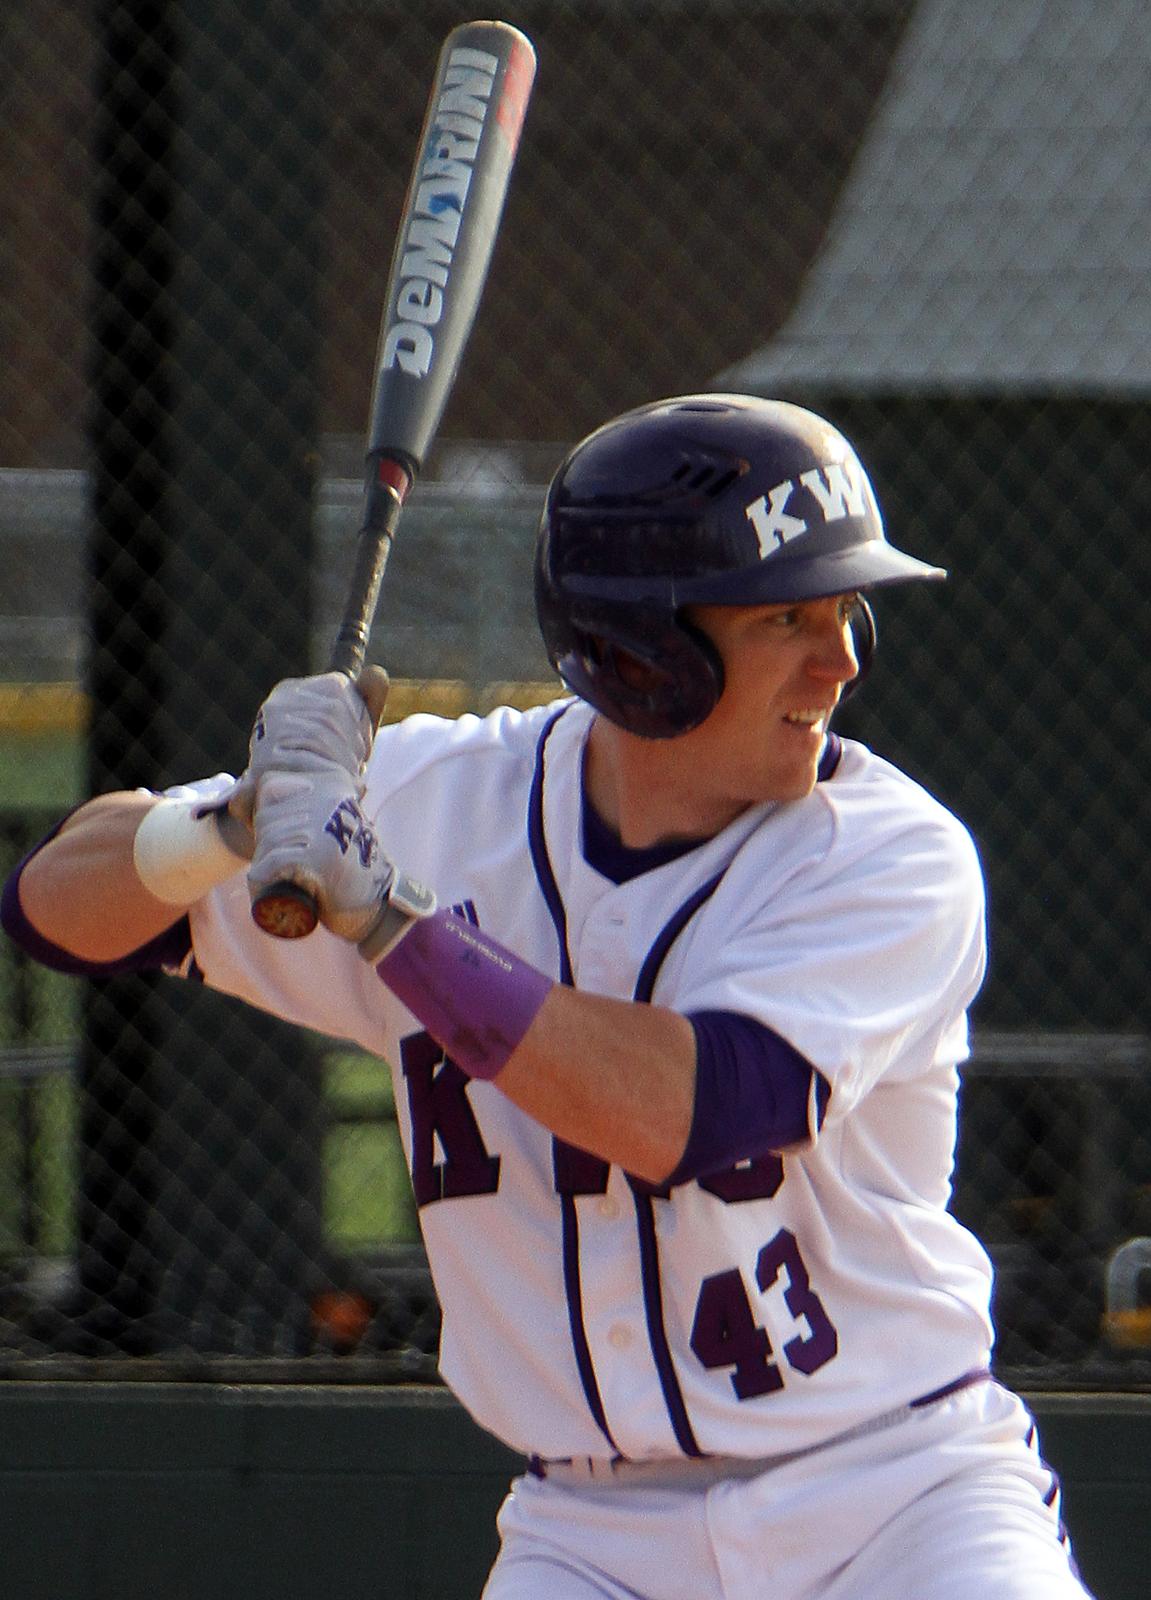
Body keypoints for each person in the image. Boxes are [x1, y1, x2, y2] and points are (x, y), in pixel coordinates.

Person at [2, 393, 1094, 1600]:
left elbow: (685, 1112)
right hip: (592, 1528)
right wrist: (229, 820)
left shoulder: (888, 854)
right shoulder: (443, 800)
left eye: (847, 612)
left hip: (898, 1498)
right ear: (645, 652)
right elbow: (53, 907)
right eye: (790, 614)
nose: (842, 658)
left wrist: (387, 924)